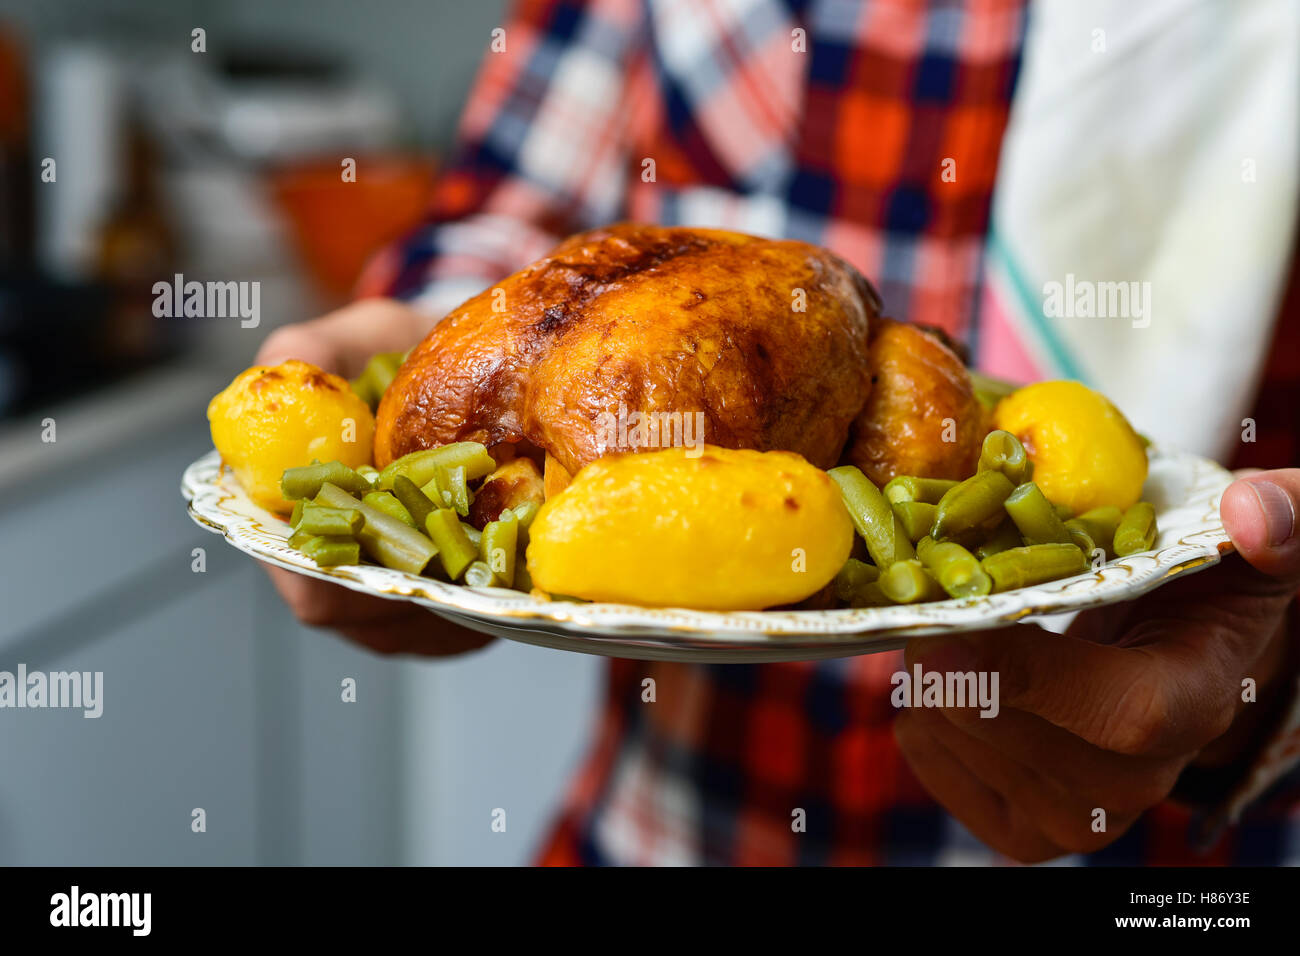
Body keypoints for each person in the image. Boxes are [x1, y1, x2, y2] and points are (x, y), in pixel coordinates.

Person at [256, 0, 1300, 864]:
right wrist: (406, 345)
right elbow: (511, 210)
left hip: (1168, 848)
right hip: (682, 824)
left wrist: (1270, 683)